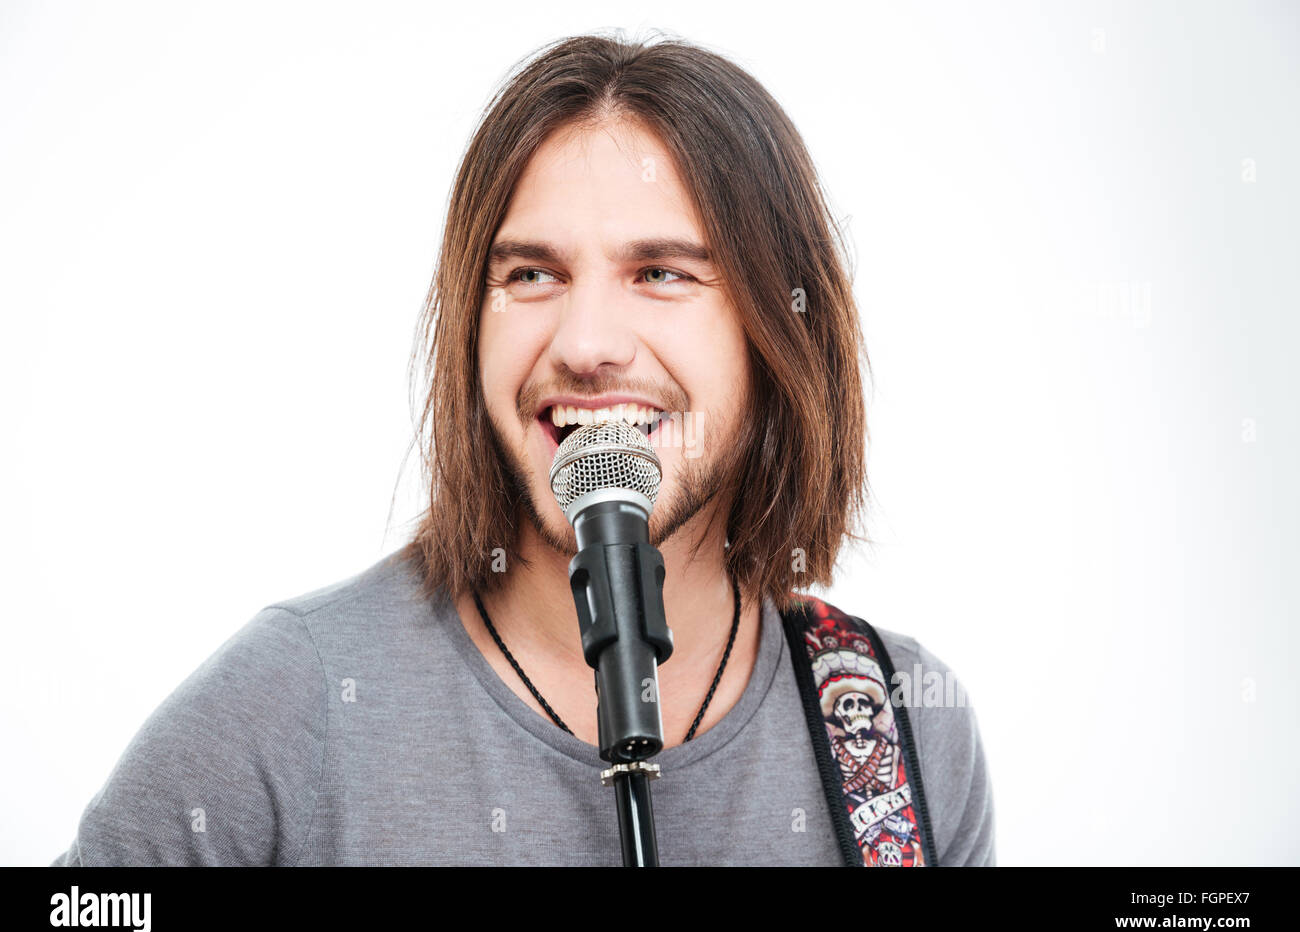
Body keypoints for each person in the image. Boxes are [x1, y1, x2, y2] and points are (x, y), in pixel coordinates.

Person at [51, 31, 995, 866]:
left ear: (779, 331)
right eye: (532, 273)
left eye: (660, 273)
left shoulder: (900, 729)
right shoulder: (289, 700)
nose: (585, 344)